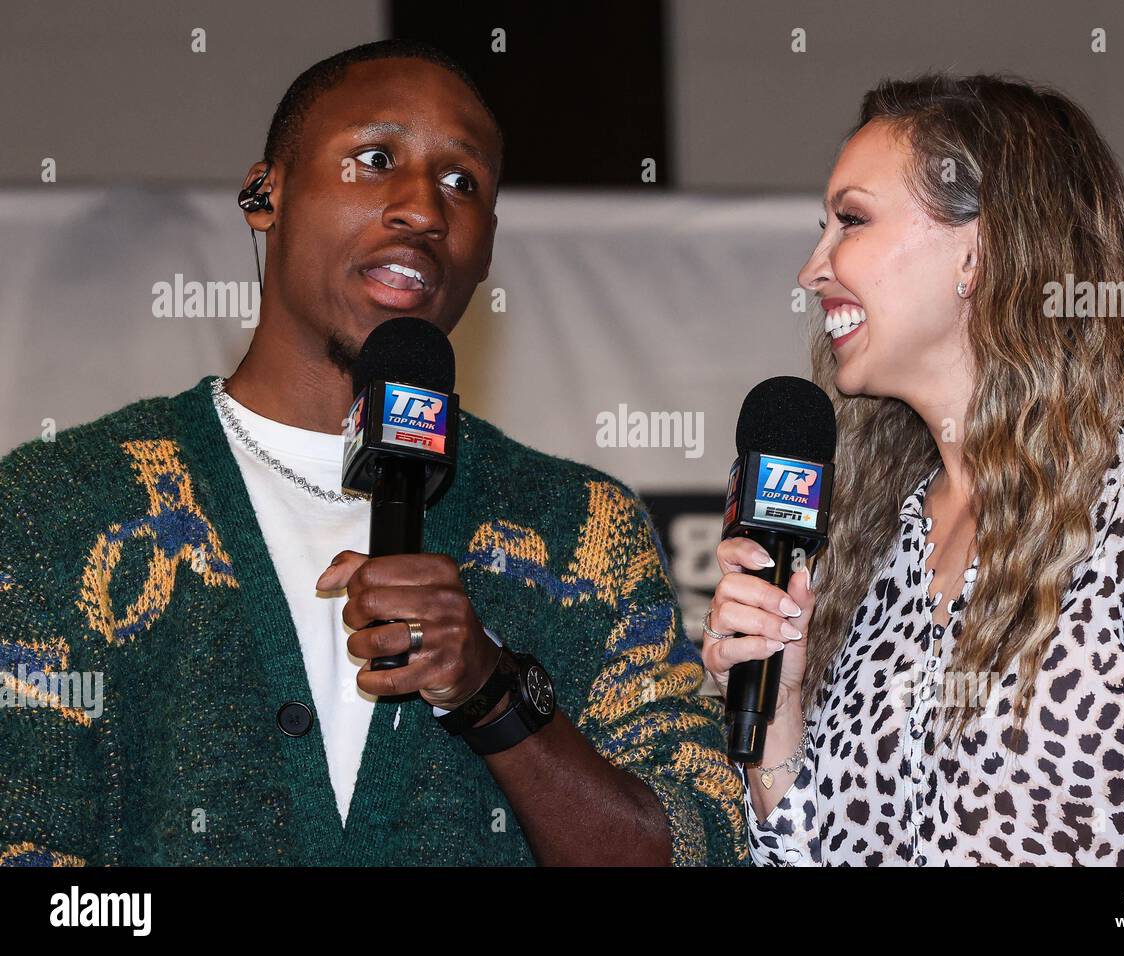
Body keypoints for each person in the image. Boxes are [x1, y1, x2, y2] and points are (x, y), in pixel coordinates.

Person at [0, 39, 746, 867]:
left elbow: (698, 848)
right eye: (375, 159)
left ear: (488, 248)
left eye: (463, 184)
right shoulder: (58, 506)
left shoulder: (580, 527)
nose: (424, 209)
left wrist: (492, 691)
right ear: (264, 194)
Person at [703, 73, 1124, 866]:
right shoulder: (876, 542)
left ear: (979, 249)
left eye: (851, 220)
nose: (813, 269)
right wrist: (777, 718)